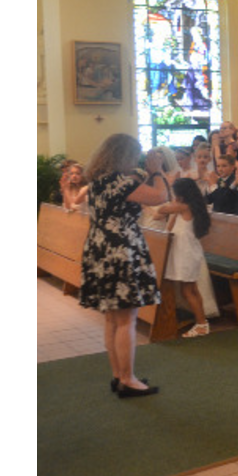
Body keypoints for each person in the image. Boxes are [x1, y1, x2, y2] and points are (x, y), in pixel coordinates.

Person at [79, 133, 171, 398]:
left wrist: (146, 174)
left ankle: (118, 375)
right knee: (126, 319)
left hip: (100, 250)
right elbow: (159, 196)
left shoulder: (98, 181)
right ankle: (128, 380)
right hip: (121, 251)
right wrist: (157, 170)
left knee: (112, 317)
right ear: (125, 156)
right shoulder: (121, 182)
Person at [156, 178, 213, 338]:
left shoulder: (184, 206)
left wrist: (174, 203)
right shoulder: (189, 206)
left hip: (187, 254)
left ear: (181, 195)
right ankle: (202, 323)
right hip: (188, 252)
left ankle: (201, 324)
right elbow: (167, 223)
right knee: (192, 289)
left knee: (188, 291)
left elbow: (161, 210)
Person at [139, 147, 176, 229]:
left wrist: (158, 170)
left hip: (158, 220)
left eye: (159, 158)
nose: (156, 160)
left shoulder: (169, 176)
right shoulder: (148, 177)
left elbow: (168, 187)